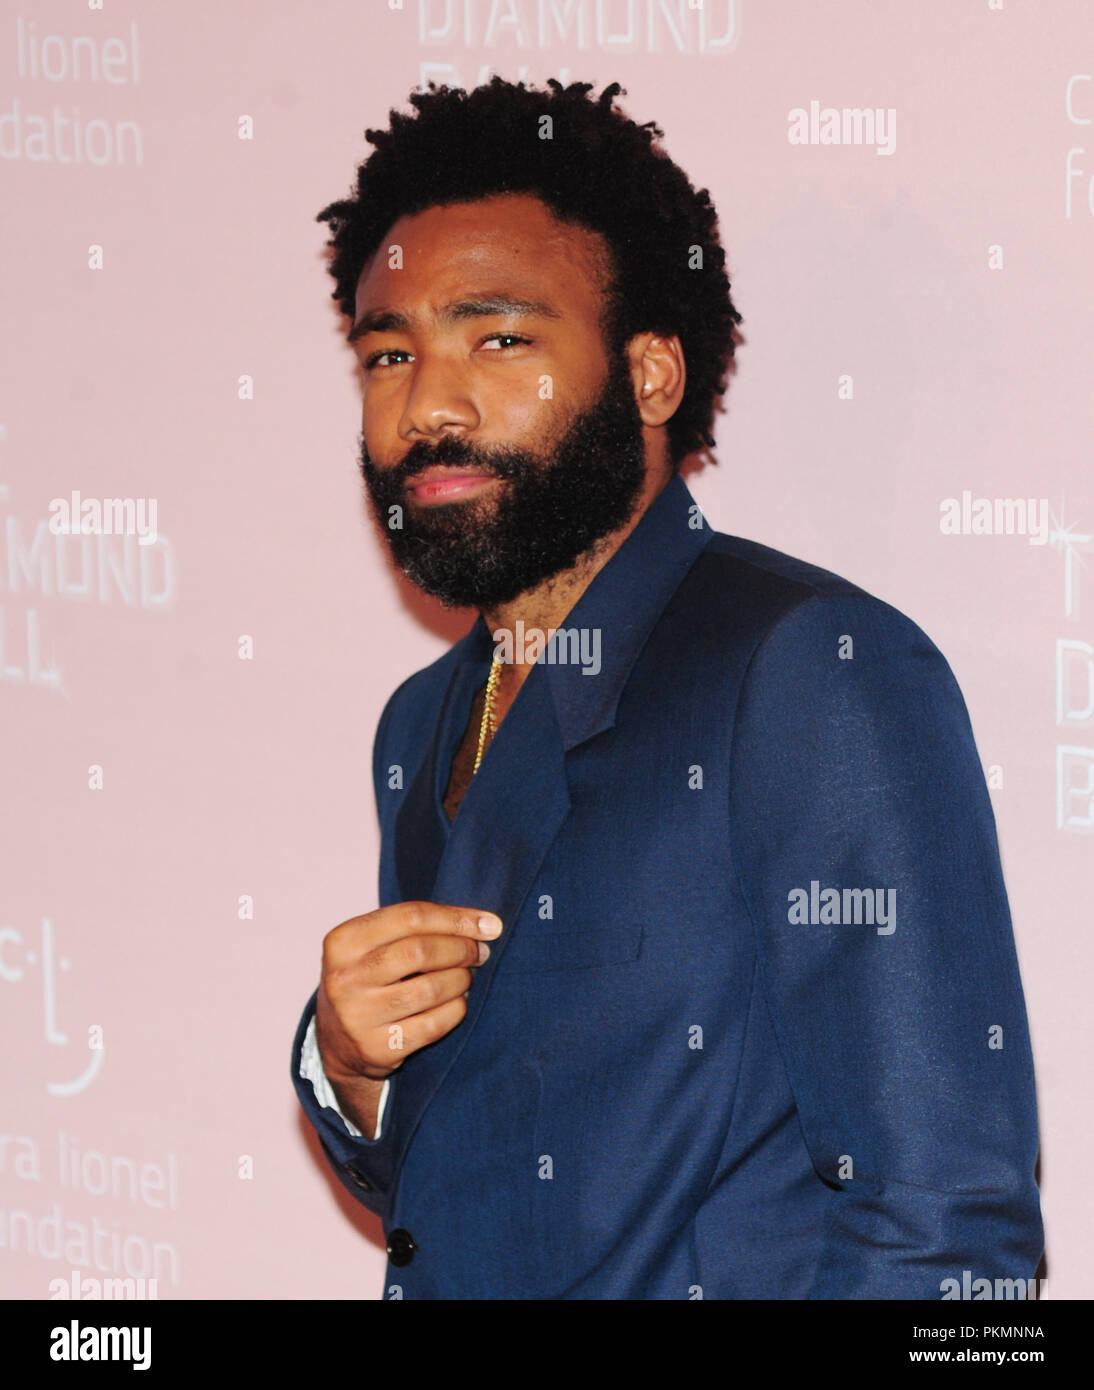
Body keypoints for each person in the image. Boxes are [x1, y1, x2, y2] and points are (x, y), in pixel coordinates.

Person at [291, 76, 1044, 1299]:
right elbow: (476, 1189)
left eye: (498, 338)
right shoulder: (421, 722)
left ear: (649, 377)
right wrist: (344, 1062)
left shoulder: (809, 670)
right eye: (389, 353)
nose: (426, 404)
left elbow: (947, 1231)